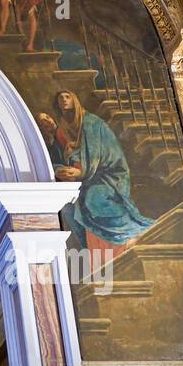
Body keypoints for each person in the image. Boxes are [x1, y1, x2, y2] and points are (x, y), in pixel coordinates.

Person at [37, 90, 154, 252]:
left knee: (94, 198)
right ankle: (92, 250)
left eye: (67, 97)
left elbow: (101, 153)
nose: (64, 100)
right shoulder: (60, 134)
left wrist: (81, 171)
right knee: (69, 209)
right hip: (82, 179)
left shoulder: (91, 123)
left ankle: (126, 235)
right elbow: (56, 162)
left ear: (74, 100)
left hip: (106, 173)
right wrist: (60, 171)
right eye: (60, 98)